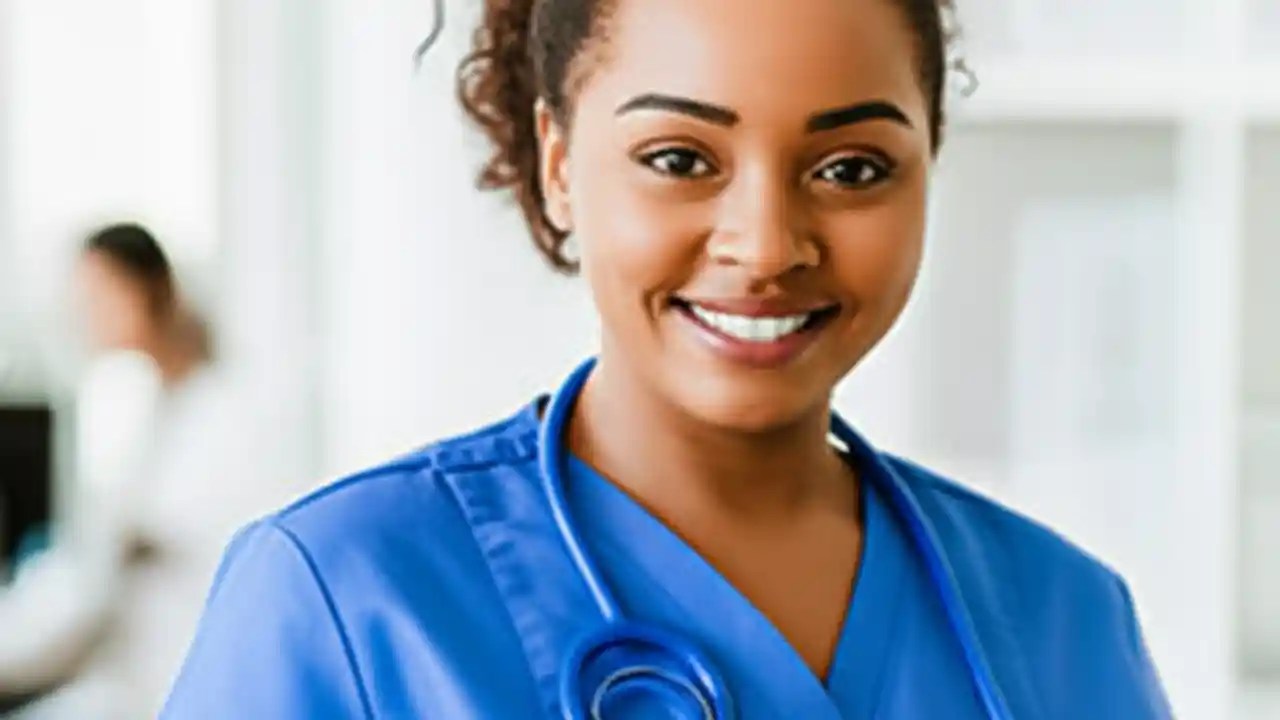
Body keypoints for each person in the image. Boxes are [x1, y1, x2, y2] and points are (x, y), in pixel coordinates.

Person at [162, 0, 1173, 717]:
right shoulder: (347, 597)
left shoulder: (1062, 617)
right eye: (680, 160)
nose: (766, 244)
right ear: (561, 167)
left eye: (850, 168)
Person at [0, 224, 294, 719]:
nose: (83, 317)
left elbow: (91, 588)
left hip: (174, 686)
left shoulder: (220, 422)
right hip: (137, 677)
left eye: (96, 297)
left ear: (143, 291)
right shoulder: (157, 409)